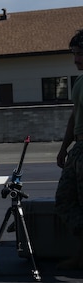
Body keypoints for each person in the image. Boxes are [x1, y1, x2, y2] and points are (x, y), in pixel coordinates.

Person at [55, 29, 83, 269]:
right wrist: (64, 148)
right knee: (65, 200)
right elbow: (75, 116)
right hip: (79, 148)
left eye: (80, 54)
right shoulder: (80, 82)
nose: (76, 59)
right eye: (74, 54)